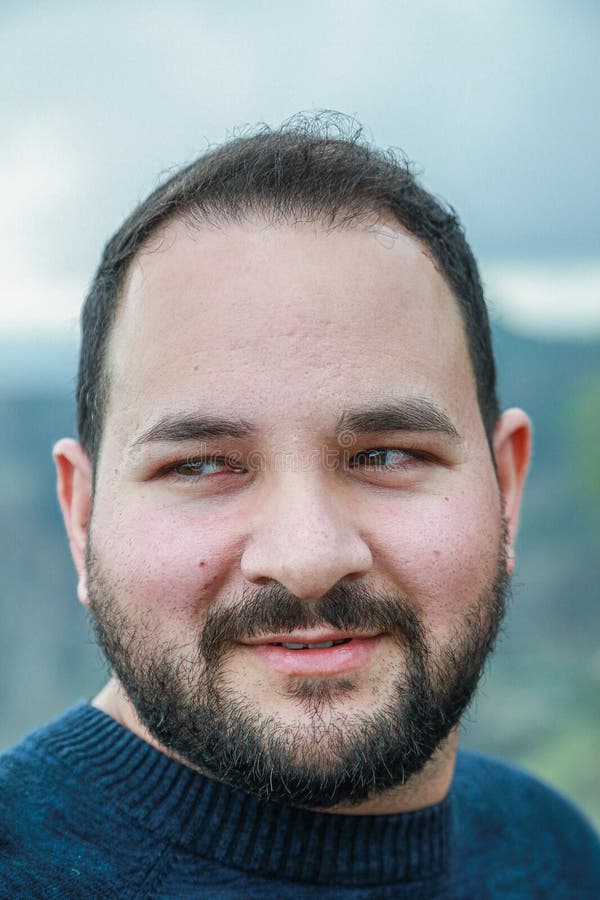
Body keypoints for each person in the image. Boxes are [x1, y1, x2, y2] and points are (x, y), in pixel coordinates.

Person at [0, 115, 598, 898]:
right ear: (81, 518)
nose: (308, 558)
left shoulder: (556, 853)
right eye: (202, 464)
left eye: (386, 455)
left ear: (506, 490)